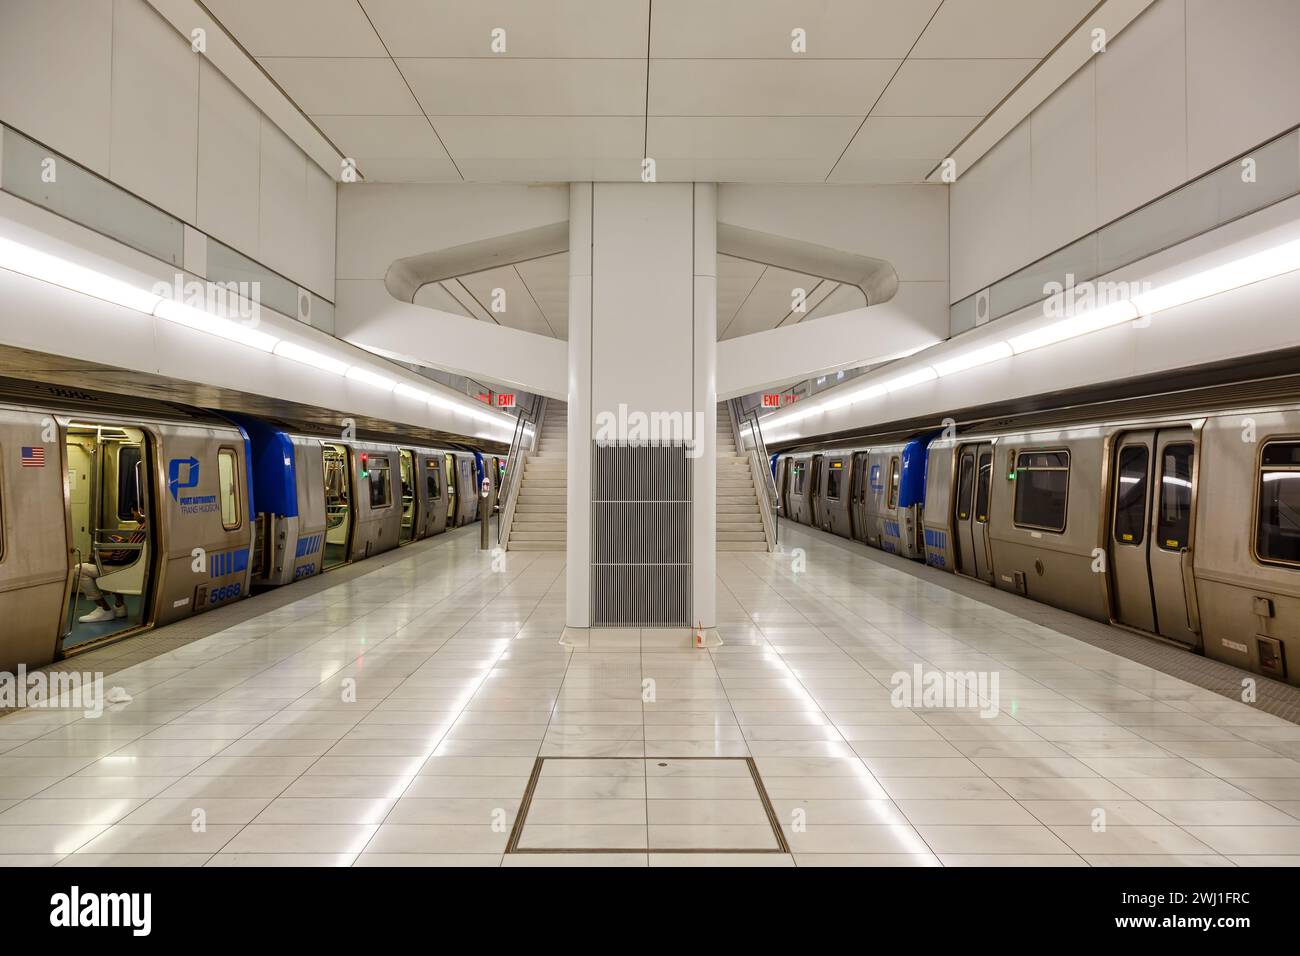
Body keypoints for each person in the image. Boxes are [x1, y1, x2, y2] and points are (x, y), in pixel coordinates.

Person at [78, 508, 147, 623]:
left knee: (80, 569)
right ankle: (119, 606)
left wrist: (98, 555)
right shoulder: (149, 527)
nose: (133, 516)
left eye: (134, 513)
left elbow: (123, 556)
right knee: (110, 567)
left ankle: (104, 609)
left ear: (141, 511)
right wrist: (123, 542)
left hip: (128, 566)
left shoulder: (143, 528)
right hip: (132, 563)